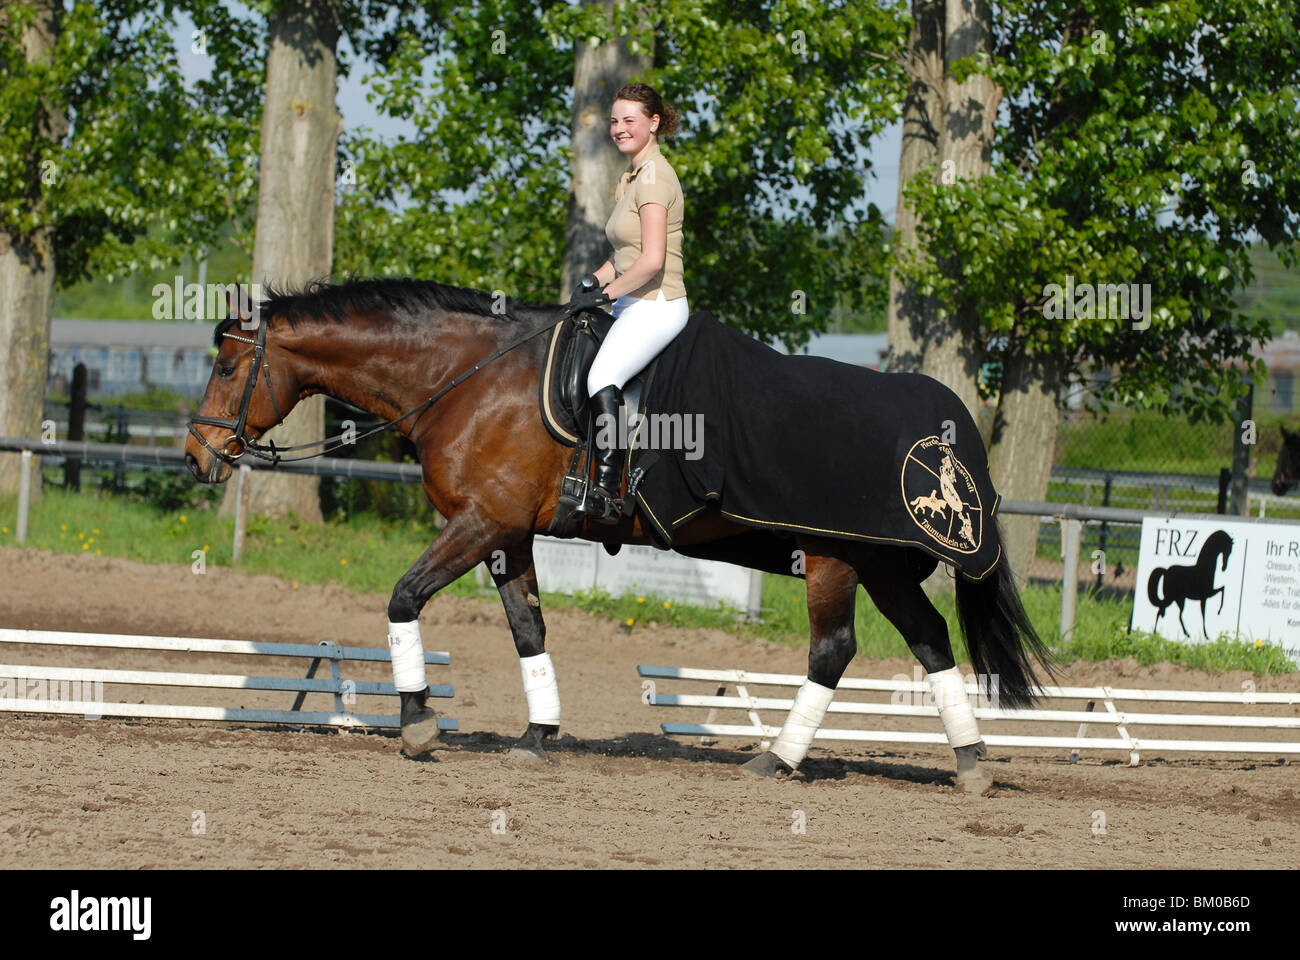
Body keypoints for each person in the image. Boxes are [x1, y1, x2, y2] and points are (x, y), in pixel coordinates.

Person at [566, 82, 688, 524]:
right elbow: (623, 255)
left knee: (602, 375)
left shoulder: (656, 177)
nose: (619, 129)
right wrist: (591, 281)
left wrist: (606, 294)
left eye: (629, 120)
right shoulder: (632, 177)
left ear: (654, 123)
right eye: (615, 121)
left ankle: (605, 489)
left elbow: (652, 261)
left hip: (656, 303)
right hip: (630, 302)